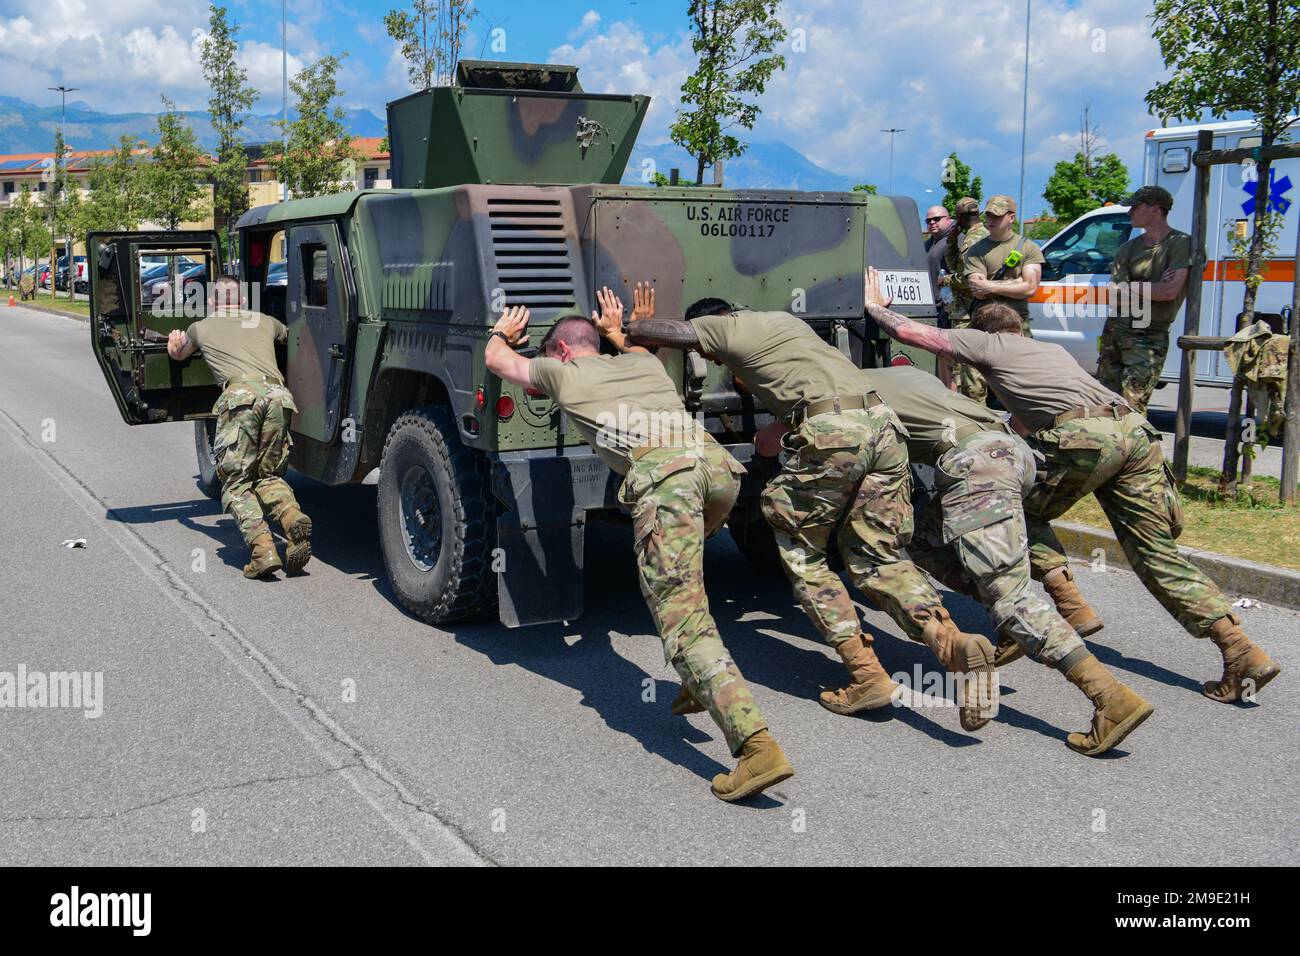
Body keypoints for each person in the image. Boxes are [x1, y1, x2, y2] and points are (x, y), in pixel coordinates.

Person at [864, 271, 1282, 718]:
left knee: (1004, 505)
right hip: (1132, 432)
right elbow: (1027, 421)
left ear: (981, 334)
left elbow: (912, 333)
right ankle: (1240, 650)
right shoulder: (1050, 351)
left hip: (1082, 437)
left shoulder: (988, 344)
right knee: (1156, 552)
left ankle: (1064, 604)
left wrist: (876, 306)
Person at [628, 299, 999, 732]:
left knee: (802, 550)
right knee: (877, 556)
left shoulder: (728, 326)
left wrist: (633, 328)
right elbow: (788, 416)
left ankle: (867, 675)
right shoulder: (783, 325)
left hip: (834, 431)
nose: (710, 360)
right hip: (883, 425)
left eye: (708, 352)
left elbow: (675, 333)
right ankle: (952, 641)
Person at [484, 286, 793, 803]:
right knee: (686, 584)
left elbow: (498, 361)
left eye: (547, 351)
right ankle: (699, 682)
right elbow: (637, 346)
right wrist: (618, 331)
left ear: (559, 351)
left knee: (681, 617)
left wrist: (504, 332)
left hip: (666, 480)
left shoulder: (562, 372)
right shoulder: (644, 365)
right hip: (718, 471)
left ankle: (755, 747)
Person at [858, 293, 1153, 756]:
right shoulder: (908, 375)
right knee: (920, 536)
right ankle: (1013, 620)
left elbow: (912, 340)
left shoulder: (856, 395)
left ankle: (1110, 697)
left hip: (982, 471)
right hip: (1017, 456)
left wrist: (876, 306)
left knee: (1010, 596)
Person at [167, 275, 312, 579]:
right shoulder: (265, 321)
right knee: (268, 474)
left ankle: (263, 550)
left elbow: (179, 354)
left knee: (235, 482)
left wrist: (172, 344)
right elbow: (291, 338)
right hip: (278, 398)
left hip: (241, 400)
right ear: (244, 301)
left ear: (211, 302)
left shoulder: (201, 327)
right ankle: (290, 515)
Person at [1099, 185, 1192, 414]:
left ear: (1155, 209)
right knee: (1103, 402)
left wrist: (1131, 287)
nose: (1130, 212)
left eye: (1136, 207)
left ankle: (1136, 450)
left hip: (1149, 333)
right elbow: (1113, 296)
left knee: (1132, 405)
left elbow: (1170, 291)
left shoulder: (1180, 243)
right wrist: (1152, 286)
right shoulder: (1127, 248)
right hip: (1115, 330)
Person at [961, 195, 1044, 335]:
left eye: (996, 215)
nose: (990, 220)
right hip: (985, 325)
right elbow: (978, 291)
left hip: (1016, 325)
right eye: (988, 215)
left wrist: (989, 285)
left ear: (1011, 217)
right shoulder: (975, 250)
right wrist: (1017, 282)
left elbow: (1030, 288)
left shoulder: (1029, 248)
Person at [942, 196, 991, 401]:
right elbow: (955, 262)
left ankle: (975, 411)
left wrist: (946, 280)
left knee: (967, 368)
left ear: (960, 217)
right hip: (974, 308)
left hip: (968, 311)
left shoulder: (973, 240)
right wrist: (953, 238)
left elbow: (964, 276)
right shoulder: (985, 234)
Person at [924, 204, 953, 325]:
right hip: (929, 306)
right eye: (928, 220)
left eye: (936, 219)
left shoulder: (955, 241)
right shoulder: (927, 244)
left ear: (948, 220)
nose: (932, 222)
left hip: (947, 307)